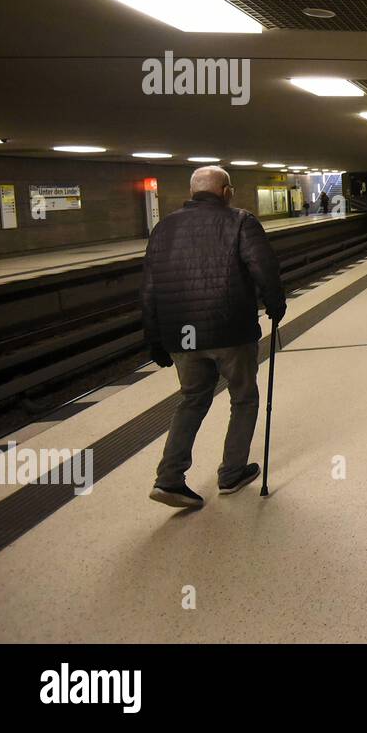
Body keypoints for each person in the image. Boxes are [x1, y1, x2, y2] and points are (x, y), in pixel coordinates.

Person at [141, 166, 286, 509]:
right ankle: (232, 473)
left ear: (193, 192)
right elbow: (262, 266)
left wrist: (155, 341)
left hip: (183, 336)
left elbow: (149, 290)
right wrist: (275, 305)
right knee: (244, 398)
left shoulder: (164, 228)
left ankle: (169, 480)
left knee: (192, 399)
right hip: (230, 330)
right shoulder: (240, 221)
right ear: (225, 192)